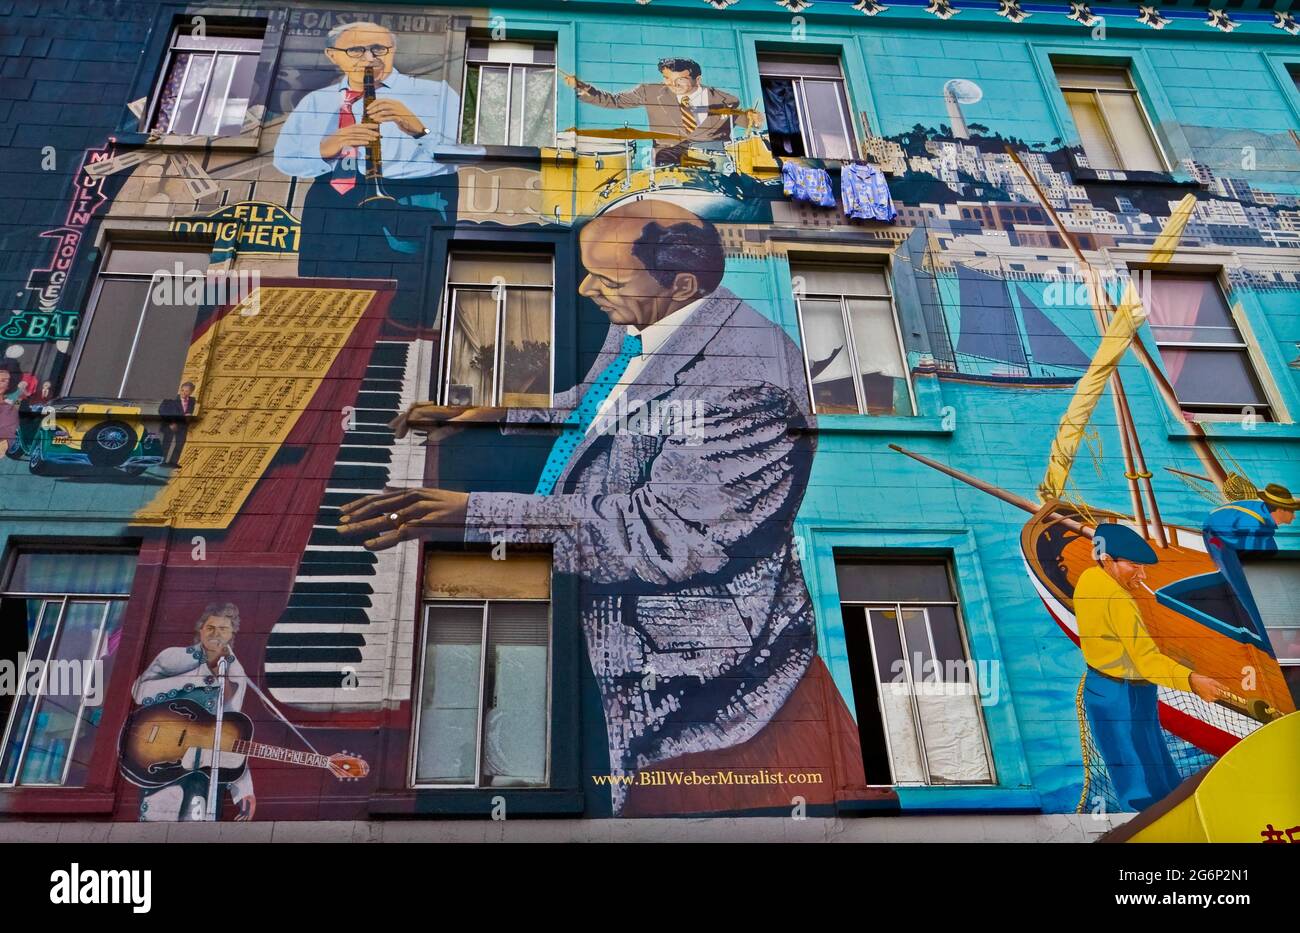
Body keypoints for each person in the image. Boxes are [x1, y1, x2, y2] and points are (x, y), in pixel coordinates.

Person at [338, 200, 860, 815]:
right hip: (597, 580)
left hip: (689, 660)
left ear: (681, 284)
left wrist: (470, 511)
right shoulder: (648, 316)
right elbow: (596, 405)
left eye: (606, 280)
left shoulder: (746, 385)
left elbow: (662, 535)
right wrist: (488, 413)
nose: (587, 291)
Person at [273, 21, 472, 327]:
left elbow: (464, 154)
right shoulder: (316, 101)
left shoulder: (435, 93)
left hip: (410, 200)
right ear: (332, 55)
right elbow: (285, 158)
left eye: (379, 49)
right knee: (324, 302)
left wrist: (418, 129)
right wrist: (328, 146)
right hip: (331, 203)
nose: (370, 58)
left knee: (400, 310)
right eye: (356, 50)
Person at [1076, 523, 1229, 811]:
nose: (1142, 575)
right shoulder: (1119, 600)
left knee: (1137, 770)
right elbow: (1147, 661)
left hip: (1101, 688)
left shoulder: (1088, 578)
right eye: (1134, 566)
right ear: (1108, 559)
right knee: (1148, 785)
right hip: (1127, 695)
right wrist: (1193, 680)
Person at [130, 603, 256, 821]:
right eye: (211, 628)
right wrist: (198, 676)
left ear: (232, 634)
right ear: (201, 630)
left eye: (223, 629)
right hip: (160, 760)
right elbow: (140, 693)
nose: (216, 634)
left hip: (202, 769)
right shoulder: (173, 657)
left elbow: (230, 733)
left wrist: (243, 790)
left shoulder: (235, 672)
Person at [564, 57, 759, 166]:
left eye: (680, 80)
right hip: (667, 164)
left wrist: (753, 118)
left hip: (711, 165)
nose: (672, 85)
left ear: (697, 80)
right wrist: (582, 87)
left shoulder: (724, 100)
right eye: (667, 79)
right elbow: (615, 101)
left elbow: (745, 121)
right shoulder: (650, 92)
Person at [1203, 483, 1298, 641]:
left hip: (1220, 529)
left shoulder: (1263, 514)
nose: (1294, 517)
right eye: (1292, 512)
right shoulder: (1256, 527)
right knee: (1246, 586)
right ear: (1280, 510)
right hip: (1216, 538)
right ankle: (1266, 638)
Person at [158, 381, 197, 467]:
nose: (183, 393)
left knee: (180, 443)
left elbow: (189, 411)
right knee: (166, 443)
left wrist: (189, 415)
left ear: (191, 392)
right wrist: (171, 423)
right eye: (182, 390)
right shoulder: (171, 399)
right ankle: (162, 461)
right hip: (170, 424)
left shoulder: (192, 400)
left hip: (182, 426)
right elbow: (162, 410)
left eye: (187, 391)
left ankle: (173, 462)